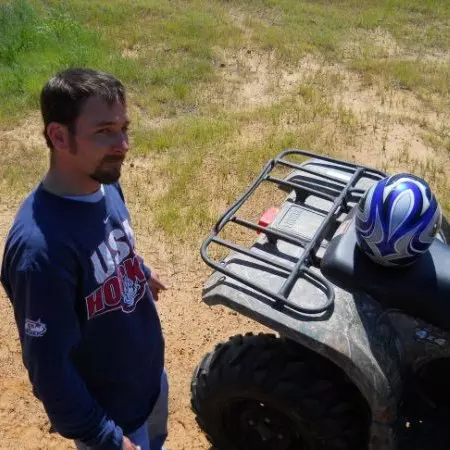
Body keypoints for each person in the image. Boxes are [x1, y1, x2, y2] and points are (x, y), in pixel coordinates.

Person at [0, 68, 168, 450]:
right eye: (105, 131)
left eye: (125, 128)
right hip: (113, 420)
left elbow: (107, 241)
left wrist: (137, 269)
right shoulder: (40, 251)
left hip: (148, 384)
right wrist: (107, 439)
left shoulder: (104, 183)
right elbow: (50, 371)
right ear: (59, 136)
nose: (123, 144)